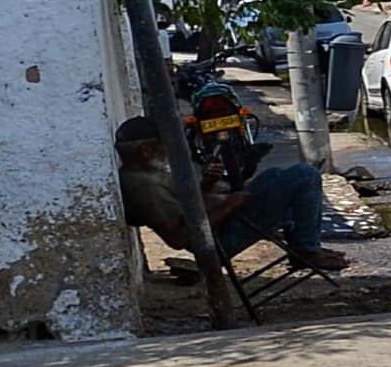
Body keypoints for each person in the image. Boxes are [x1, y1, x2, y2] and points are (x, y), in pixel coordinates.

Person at [117, 116, 344, 276]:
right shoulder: (145, 187)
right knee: (305, 175)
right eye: (163, 146)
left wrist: (208, 182)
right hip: (220, 239)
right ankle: (306, 250)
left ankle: (304, 246)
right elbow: (178, 239)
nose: (167, 151)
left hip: (222, 223)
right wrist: (229, 205)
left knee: (274, 174)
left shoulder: (148, 172)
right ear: (146, 151)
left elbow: (193, 205)